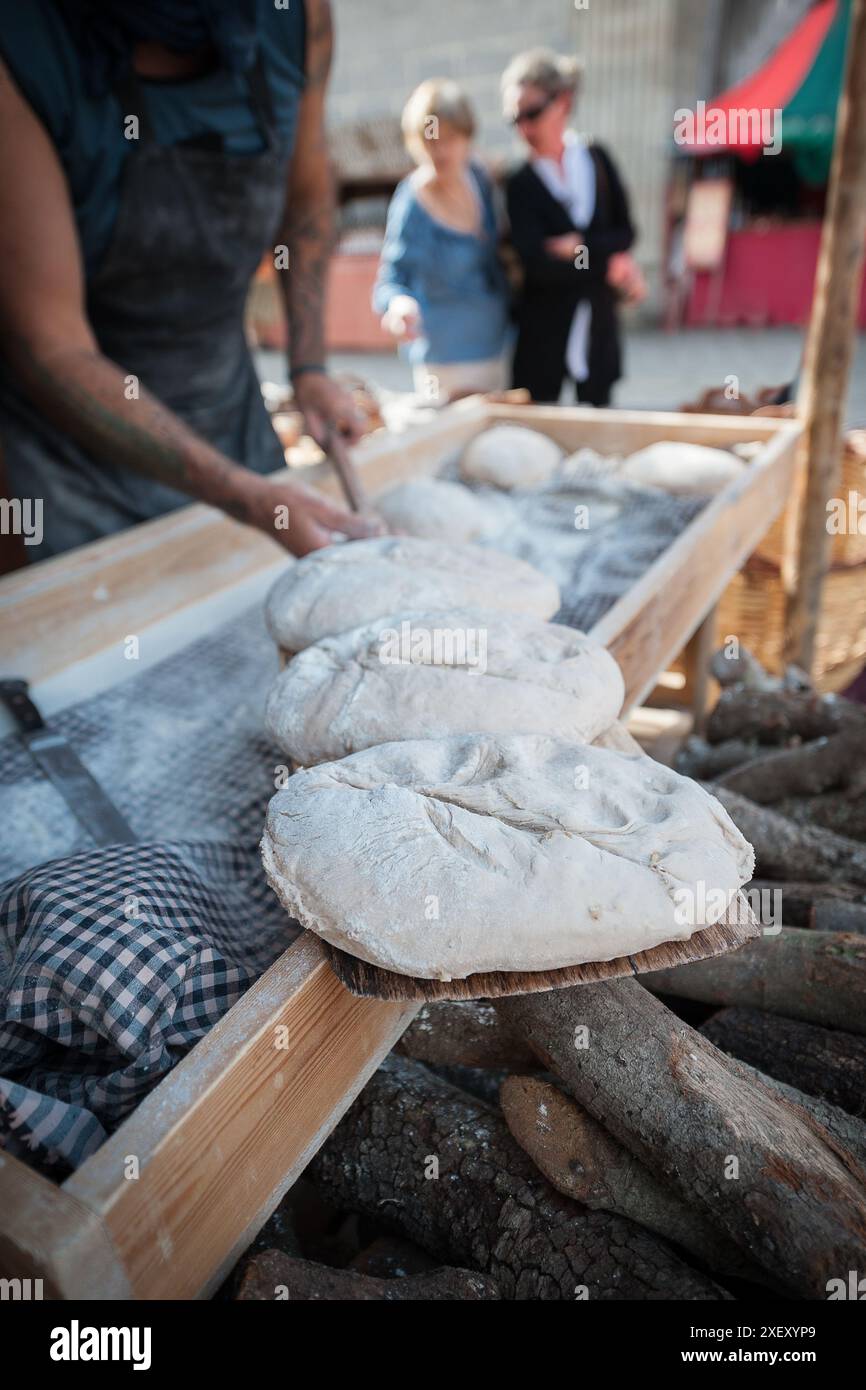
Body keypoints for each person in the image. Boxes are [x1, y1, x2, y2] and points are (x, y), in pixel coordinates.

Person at [0, 0, 380, 563]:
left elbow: (306, 202)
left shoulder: (294, 17)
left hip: (231, 414)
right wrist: (244, 496)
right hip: (70, 463)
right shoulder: (23, 45)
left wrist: (309, 366)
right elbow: (51, 348)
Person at [501, 48, 644, 407]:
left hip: (598, 333)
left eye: (532, 113)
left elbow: (626, 232)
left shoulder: (597, 158)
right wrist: (606, 264)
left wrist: (578, 246)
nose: (524, 127)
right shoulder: (519, 182)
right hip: (542, 340)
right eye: (515, 118)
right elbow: (536, 265)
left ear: (563, 102)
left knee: (599, 432)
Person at [373, 79, 511, 403]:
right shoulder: (412, 203)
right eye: (429, 140)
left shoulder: (480, 178)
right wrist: (399, 305)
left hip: (496, 347)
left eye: (448, 139)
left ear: (467, 137)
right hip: (444, 360)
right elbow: (391, 280)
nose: (439, 151)